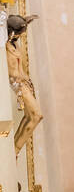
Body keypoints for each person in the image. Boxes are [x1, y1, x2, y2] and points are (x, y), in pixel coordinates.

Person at [6, 14, 41, 154]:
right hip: (18, 84)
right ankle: (15, 149)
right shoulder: (7, 45)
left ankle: (15, 149)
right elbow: (13, 71)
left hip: (24, 83)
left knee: (31, 116)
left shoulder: (14, 43)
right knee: (36, 116)